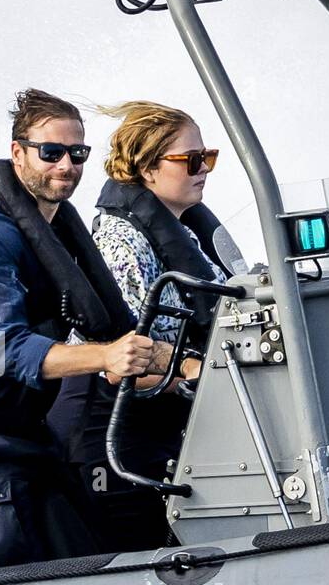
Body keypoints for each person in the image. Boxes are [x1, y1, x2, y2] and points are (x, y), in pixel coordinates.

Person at [0, 89, 196, 572]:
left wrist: (195, 366)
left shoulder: (59, 233)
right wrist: (106, 357)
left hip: (32, 439)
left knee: (94, 559)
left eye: (77, 153)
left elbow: (119, 332)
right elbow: (9, 350)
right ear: (18, 153)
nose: (65, 165)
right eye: (51, 152)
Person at [47, 101, 237, 550]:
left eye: (206, 157)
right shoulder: (120, 244)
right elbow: (121, 360)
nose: (203, 169)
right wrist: (200, 371)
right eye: (191, 160)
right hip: (109, 435)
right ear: (148, 169)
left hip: (158, 429)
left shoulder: (187, 232)